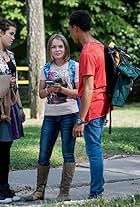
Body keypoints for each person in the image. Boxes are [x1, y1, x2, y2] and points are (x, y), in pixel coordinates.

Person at [25, 34, 79, 202]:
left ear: (65, 48)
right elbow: (40, 93)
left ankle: (64, 193)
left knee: (67, 153)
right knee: (43, 153)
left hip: (69, 115)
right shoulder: (46, 68)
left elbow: (79, 93)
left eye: (60, 46)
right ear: (49, 50)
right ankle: (39, 191)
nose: (57, 49)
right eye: (54, 47)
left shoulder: (74, 66)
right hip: (50, 115)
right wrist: (49, 90)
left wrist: (62, 90)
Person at [68, 10, 110, 199]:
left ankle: (96, 193)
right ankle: (97, 190)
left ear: (76, 28)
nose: (70, 33)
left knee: (94, 150)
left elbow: (88, 89)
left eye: (70, 30)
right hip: (102, 104)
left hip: (92, 106)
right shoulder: (99, 46)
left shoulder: (87, 52)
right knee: (96, 147)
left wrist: (81, 119)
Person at [0, 17, 25, 204]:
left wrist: (21, 106)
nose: (13, 37)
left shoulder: (11, 56)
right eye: (10, 34)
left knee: (6, 147)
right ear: (0, 33)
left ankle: (4, 188)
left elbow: (14, 84)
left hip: (10, 106)